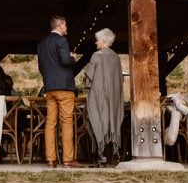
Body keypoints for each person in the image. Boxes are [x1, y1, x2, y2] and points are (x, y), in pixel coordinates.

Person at [37, 15, 83, 168]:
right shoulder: (61, 40)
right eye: (66, 25)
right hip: (64, 87)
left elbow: (41, 68)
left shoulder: (41, 44)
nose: (67, 28)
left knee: (50, 123)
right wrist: (72, 58)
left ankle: (51, 159)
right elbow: (65, 61)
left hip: (49, 87)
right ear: (60, 25)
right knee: (67, 122)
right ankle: (68, 159)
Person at [84, 28, 124, 167]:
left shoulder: (96, 56)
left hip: (98, 95)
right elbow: (120, 79)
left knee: (97, 121)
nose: (96, 42)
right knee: (111, 123)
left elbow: (89, 80)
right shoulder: (116, 58)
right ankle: (113, 154)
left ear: (104, 40)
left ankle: (99, 155)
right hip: (113, 97)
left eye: (97, 39)